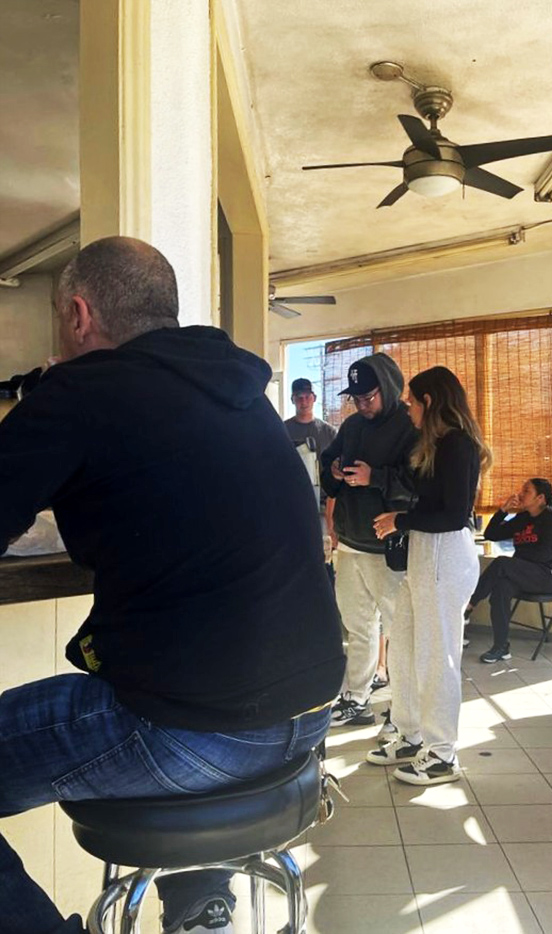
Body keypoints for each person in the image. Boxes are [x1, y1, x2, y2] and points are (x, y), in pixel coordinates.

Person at [0, 237, 345, 934]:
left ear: (77, 312)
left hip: (200, 727)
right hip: (308, 714)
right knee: (192, 667)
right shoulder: (240, 393)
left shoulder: (83, 391)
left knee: (178, 689)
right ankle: (199, 909)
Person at [367, 367, 491, 784]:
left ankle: (441, 753)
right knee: (403, 646)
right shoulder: (434, 445)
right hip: (425, 552)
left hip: (445, 554)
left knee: (438, 656)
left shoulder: (458, 445)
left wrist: (401, 520)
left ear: (430, 402)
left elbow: (455, 514)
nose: (406, 407)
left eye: (410, 400)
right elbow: (423, 493)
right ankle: (410, 733)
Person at [320, 354, 417, 727]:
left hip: (387, 546)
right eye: (356, 399)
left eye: (369, 397)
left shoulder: (411, 425)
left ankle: (403, 709)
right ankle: (356, 697)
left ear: (389, 388)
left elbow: (419, 485)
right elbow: (329, 463)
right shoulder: (352, 425)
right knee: (358, 626)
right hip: (350, 541)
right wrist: (332, 471)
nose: (362, 405)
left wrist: (374, 477)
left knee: (400, 631)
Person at [469, 478, 552, 663]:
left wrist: (514, 565)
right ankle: (500, 647)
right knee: (501, 588)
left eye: (526, 491)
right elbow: (491, 535)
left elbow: (545, 555)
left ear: (540, 498)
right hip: (526, 574)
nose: (520, 494)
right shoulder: (523, 518)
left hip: (550, 576)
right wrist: (503, 511)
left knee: (502, 564)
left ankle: (469, 605)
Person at [284, 378, 338, 579]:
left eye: (307, 396)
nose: (304, 401)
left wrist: (332, 521)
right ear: (293, 399)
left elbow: (336, 476)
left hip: (325, 507)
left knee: (324, 560)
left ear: (314, 398)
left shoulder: (329, 432)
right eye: (299, 397)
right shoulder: (283, 430)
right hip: (294, 505)